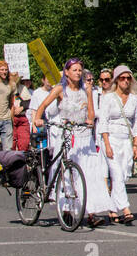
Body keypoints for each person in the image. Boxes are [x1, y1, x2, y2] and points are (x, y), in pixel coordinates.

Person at [32, 58, 107, 222]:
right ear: (66, 72)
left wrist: (90, 120)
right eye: (74, 70)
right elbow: (43, 105)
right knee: (67, 173)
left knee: (88, 174)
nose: (78, 73)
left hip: (83, 135)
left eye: (80, 70)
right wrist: (37, 119)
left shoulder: (86, 89)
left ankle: (91, 213)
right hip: (67, 134)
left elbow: (91, 111)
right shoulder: (60, 89)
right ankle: (66, 209)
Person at [98, 65, 137, 224]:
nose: (126, 81)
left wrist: (136, 144)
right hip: (111, 139)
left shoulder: (134, 99)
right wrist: (107, 144)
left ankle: (112, 209)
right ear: (116, 80)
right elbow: (103, 121)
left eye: (128, 78)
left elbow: (136, 123)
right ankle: (126, 208)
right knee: (115, 173)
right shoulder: (108, 98)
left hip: (126, 140)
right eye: (122, 78)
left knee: (123, 175)